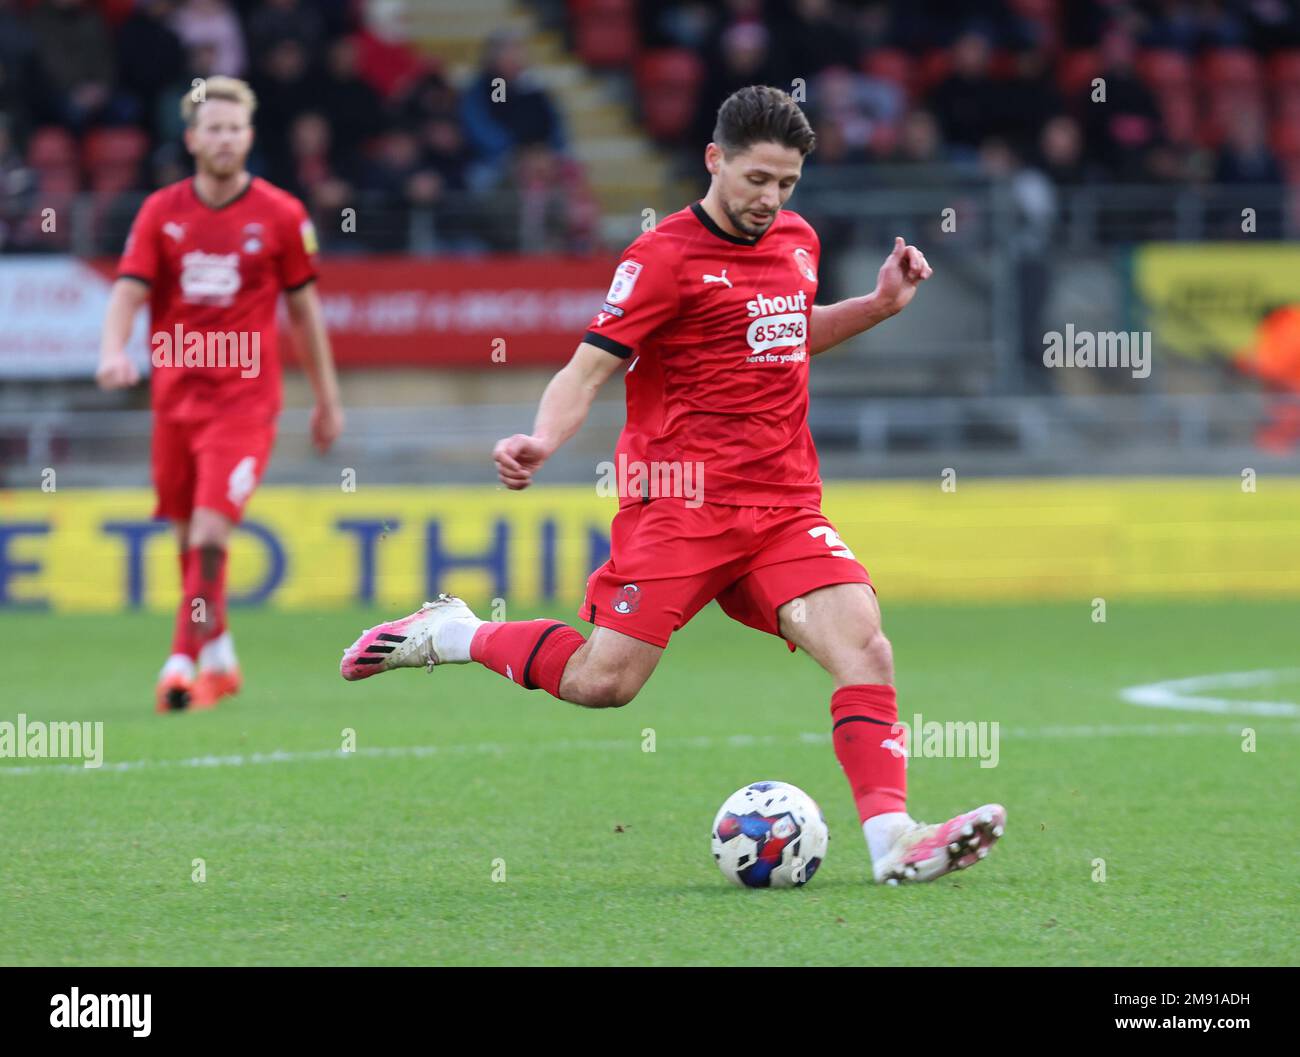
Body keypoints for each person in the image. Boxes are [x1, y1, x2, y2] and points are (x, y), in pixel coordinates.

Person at [340, 86, 1004, 885]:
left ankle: (892, 837)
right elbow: (587, 368)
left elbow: (786, 332)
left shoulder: (798, 239)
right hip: (679, 503)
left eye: (787, 183)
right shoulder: (660, 259)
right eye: (757, 178)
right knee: (602, 682)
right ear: (715, 160)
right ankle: (454, 632)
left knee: (865, 646)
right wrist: (541, 438)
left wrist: (876, 306)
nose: (771, 200)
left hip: (784, 504)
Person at [96, 76, 344, 712]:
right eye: (214, 129)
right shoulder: (161, 211)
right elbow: (128, 288)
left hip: (244, 403)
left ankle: (180, 662)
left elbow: (305, 311)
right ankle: (223, 658)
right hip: (175, 402)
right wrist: (112, 350)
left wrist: (327, 397)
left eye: (236, 129)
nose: (226, 139)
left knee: (209, 533)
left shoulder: (283, 214)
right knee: (188, 543)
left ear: (250, 136)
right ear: (192, 139)